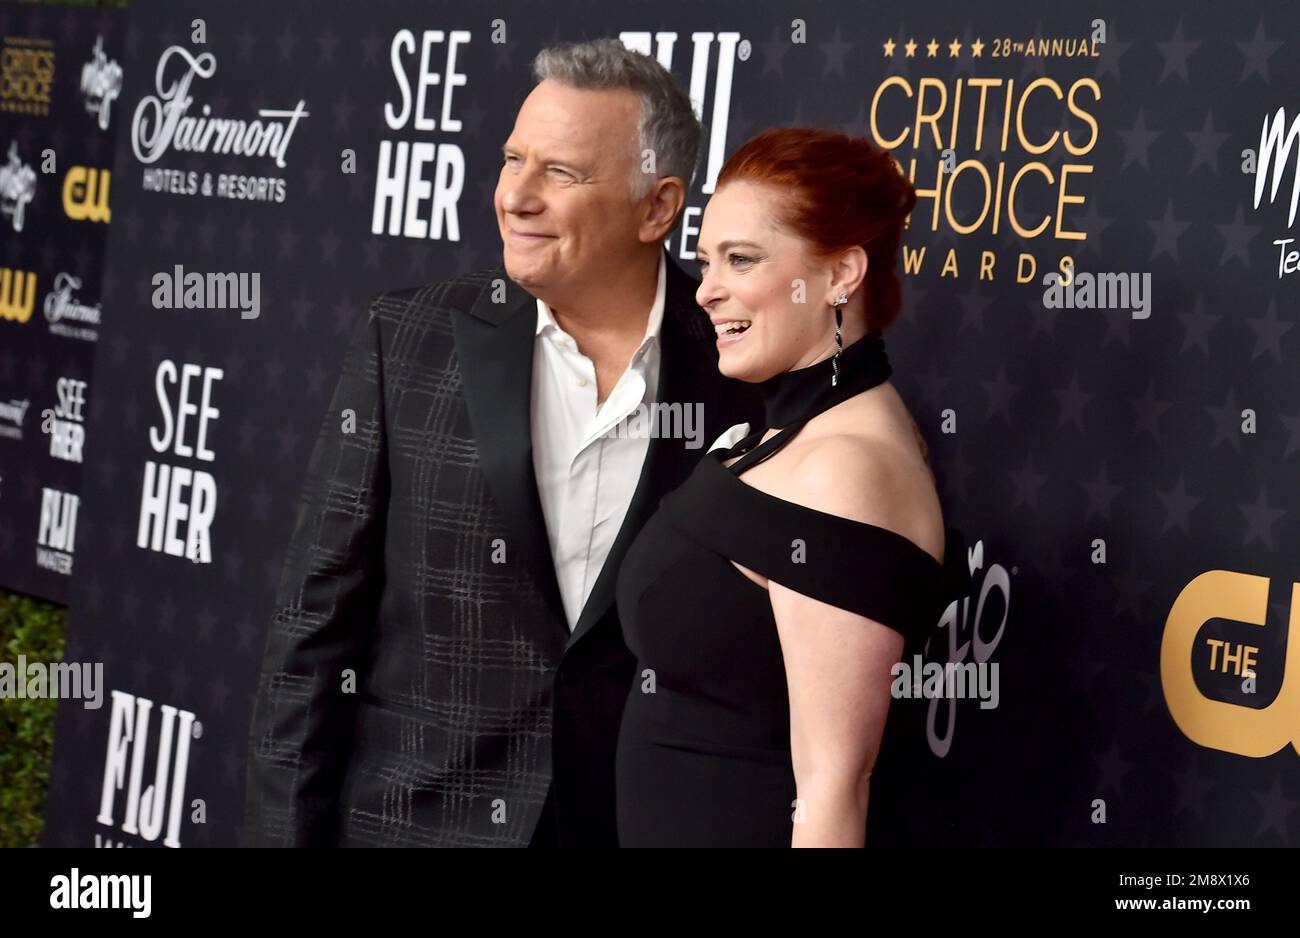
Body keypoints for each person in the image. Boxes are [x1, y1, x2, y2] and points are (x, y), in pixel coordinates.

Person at [243, 38, 758, 847]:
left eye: (560, 172)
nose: (514, 195)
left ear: (657, 207)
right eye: (513, 159)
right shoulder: (408, 341)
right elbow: (311, 634)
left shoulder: (743, 368)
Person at [614, 127, 963, 847]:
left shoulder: (847, 470)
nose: (708, 290)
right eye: (707, 260)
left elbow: (834, 791)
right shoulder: (785, 433)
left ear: (841, 275)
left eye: (742, 260)